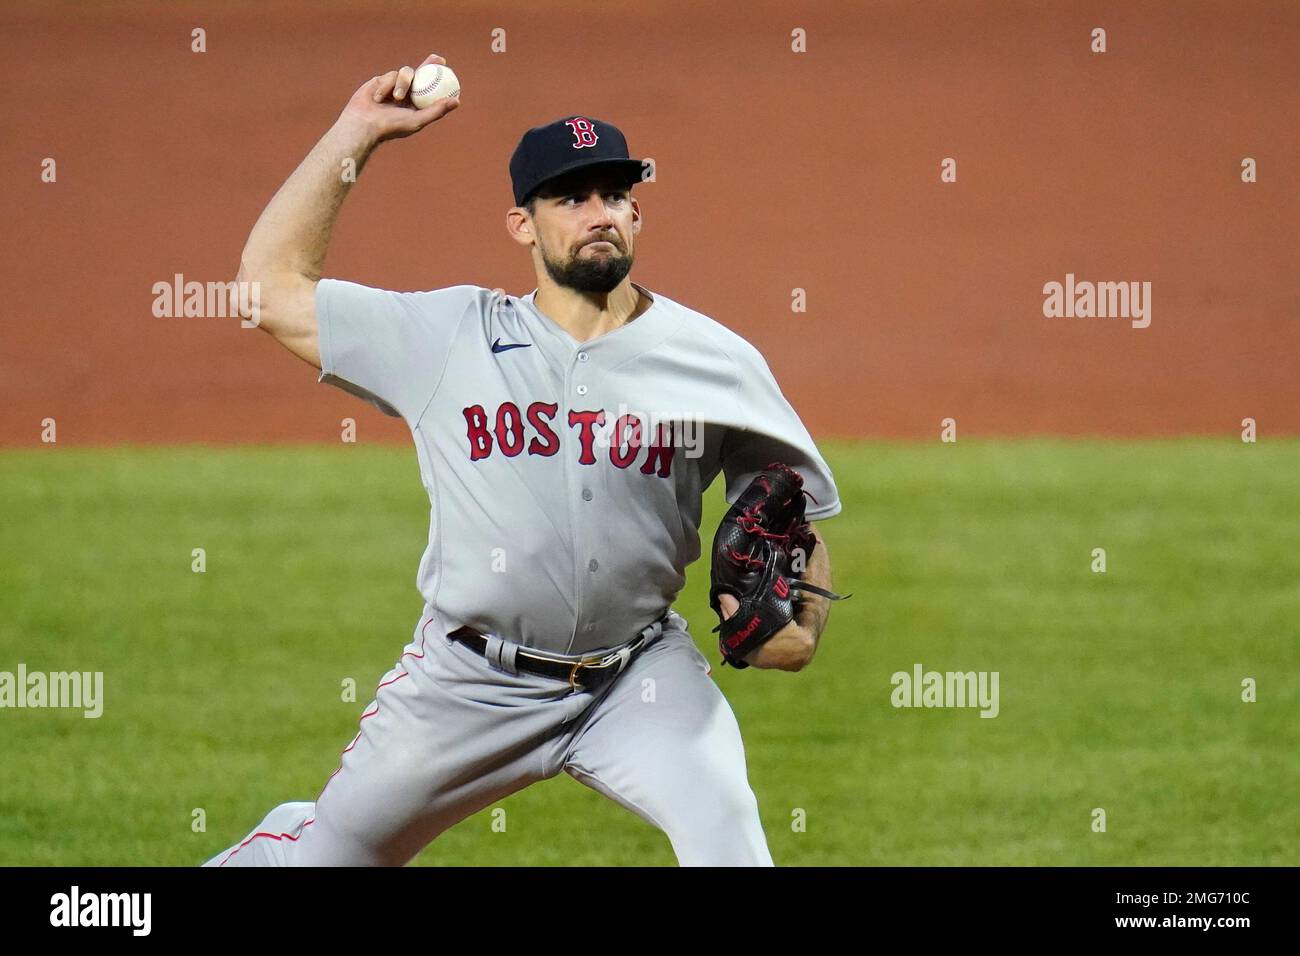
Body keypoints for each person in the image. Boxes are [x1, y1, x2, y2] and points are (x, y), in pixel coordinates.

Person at [205, 53, 842, 867]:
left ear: (638, 216)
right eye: (570, 197)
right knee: (330, 857)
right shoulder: (444, 337)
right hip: (467, 683)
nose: (598, 212)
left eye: (615, 195)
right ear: (522, 225)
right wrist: (356, 134)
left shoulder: (716, 360)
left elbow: (791, 512)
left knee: (731, 841)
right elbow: (266, 288)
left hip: (634, 678)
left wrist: (806, 627)